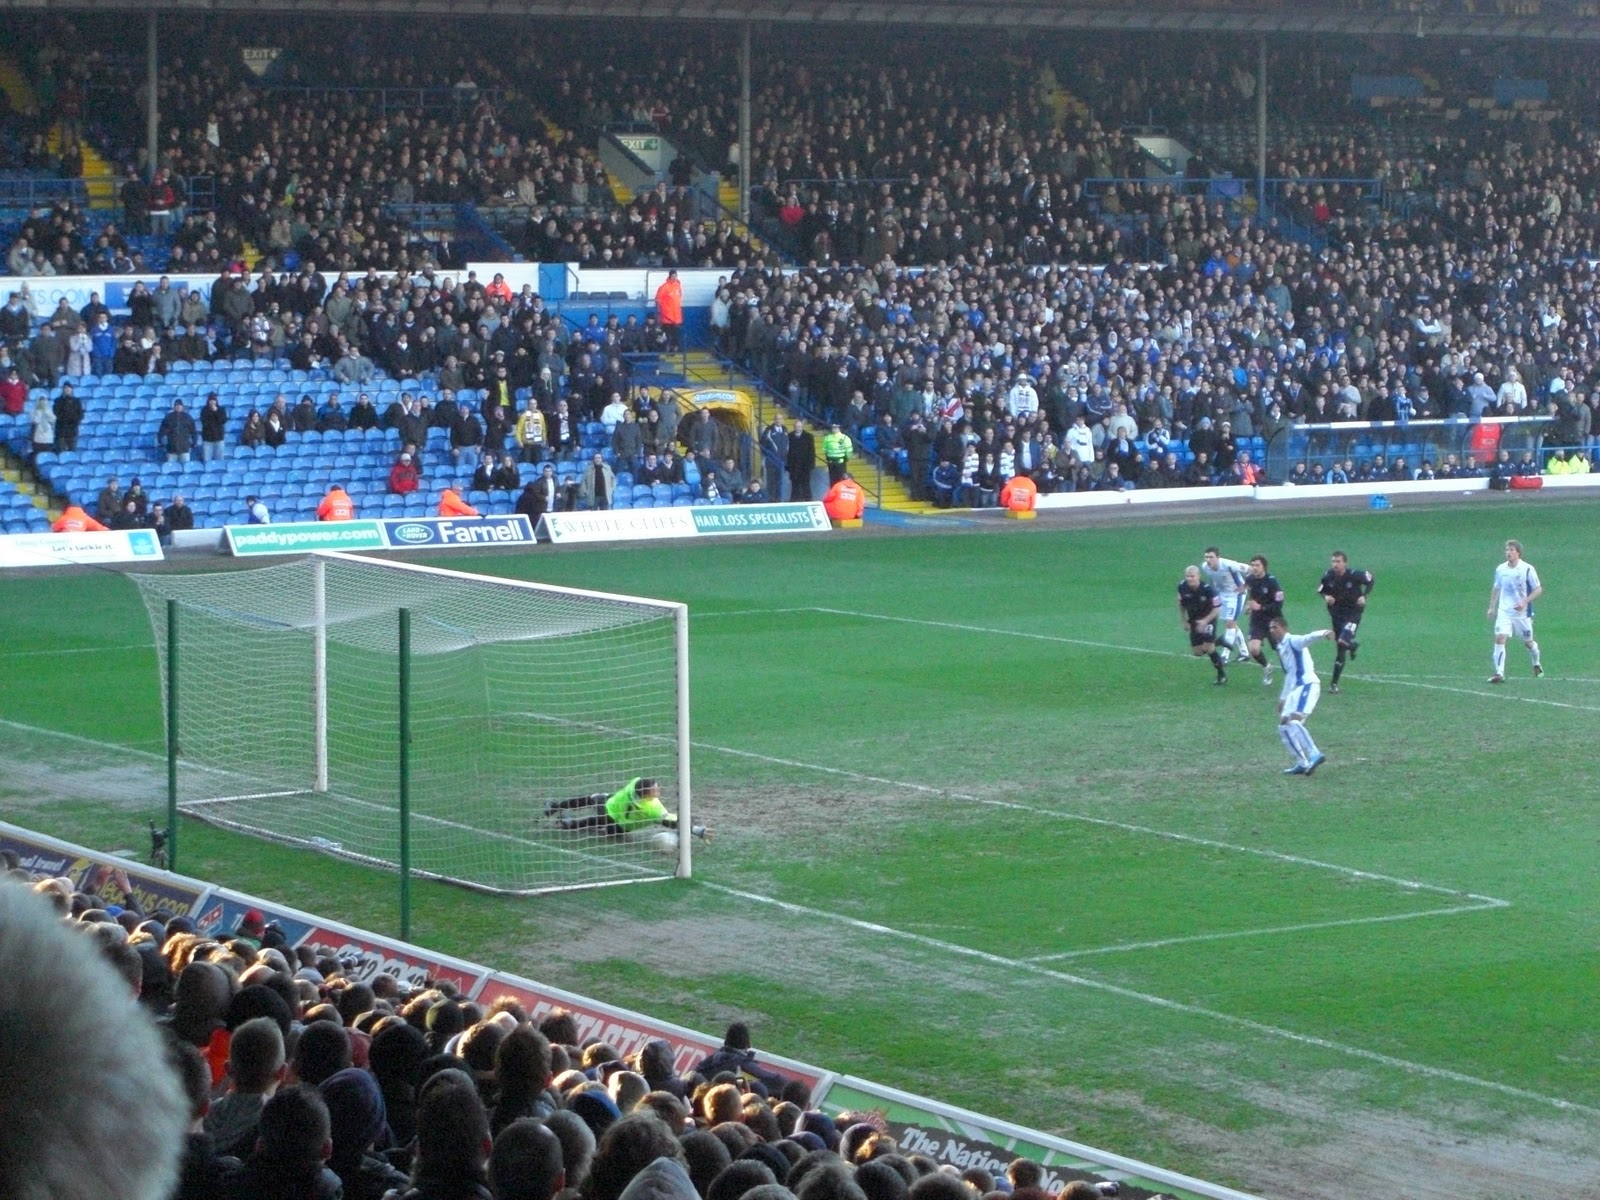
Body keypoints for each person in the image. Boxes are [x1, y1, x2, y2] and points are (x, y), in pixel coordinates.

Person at [1267, 617, 1334, 776]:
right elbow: (1290, 674)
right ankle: (1302, 762)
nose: (1271, 631)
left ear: (1283, 627)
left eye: (1274, 627)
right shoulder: (1281, 647)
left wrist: (1324, 633)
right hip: (1296, 689)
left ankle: (1314, 754)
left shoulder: (1293, 641)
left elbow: (1308, 638)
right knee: (1283, 725)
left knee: (1294, 720)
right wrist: (1283, 698)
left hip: (1308, 685)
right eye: (1270, 628)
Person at [543, 777, 709, 840]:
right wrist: (696, 830)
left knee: (594, 800)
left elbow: (630, 788)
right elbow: (672, 822)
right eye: (655, 789)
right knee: (602, 819)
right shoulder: (653, 808)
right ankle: (570, 824)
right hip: (619, 828)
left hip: (610, 810)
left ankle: (556, 808)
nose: (659, 790)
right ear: (646, 794)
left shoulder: (633, 785)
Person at [1316, 550, 1375, 693]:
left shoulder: (1354, 575)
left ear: (1345, 563)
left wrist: (1364, 596)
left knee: (1342, 640)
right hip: (1336, 615)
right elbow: (1321, 590)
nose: (1335, 564)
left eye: (1338, 562)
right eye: (1333, 562)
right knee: (1341, 649)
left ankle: (1352, 645)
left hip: (1353, 614)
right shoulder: (1328, 575)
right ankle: (1334, 684)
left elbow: (1370, 580)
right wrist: (1326, 597)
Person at [1487, 539, 1543, 684]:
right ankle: (1499, 672)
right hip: (1504, 611)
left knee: (1528, 643)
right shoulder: (1501, 569)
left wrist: (1524, 602)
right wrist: (1492, 607)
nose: (1508, 553)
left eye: (1511, 550)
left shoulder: (1527, 569)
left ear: (1518, 552)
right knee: (1500, 638)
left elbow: (1538, 589)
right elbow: (1496, 587)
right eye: (1507, 550)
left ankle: (1536, 663)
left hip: (1522, 614)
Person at [1200, 546, 1252, 665]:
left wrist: (1245, 586)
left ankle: (1225, 655)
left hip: (1236, 594)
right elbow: (1212, 580)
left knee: (1230, 623)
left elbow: (1250, 570)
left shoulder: (1229, 565)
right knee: (1231, 624)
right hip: (1222, 595)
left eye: (1211, 557)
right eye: (1206, 557)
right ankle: (1244, 653)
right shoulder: (1205, 567)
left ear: (1218, 557)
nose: (1208, 560)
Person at [1177, 565, 1227, 685]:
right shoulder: (1182, 587)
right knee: (1197, 652)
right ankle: (1218, 641)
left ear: (1198, 576)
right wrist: (1184, 620)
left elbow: (1217, 610)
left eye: (1192, 576)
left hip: (1209, 619)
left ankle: (1221, 674)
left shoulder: (1208, 590)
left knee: (1209, 649)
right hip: (1194, 620)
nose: (1190, 579)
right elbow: (1180, 603)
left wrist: (1205, 621)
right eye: (1188, 576)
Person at [1244, 554, 1285, 684]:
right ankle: (1267, 667)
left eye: (1257, 565)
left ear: (1264, 567)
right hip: (1257, 620)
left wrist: (1260, 607)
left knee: (1281, 651)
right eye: (1252, 565)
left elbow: (1278, 604)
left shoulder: (1272, 582)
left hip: (1273, 620)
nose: (1254, 568)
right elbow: (1253, 597)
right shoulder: (1250, 580)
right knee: (1253, 649)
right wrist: (1249, 607)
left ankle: (1291, 674)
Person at [786, 420, 816, 500]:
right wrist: (788, 466)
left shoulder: (809, 436)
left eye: (800, 426)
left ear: (802, 427)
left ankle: (808, 501)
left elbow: (812, 452)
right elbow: (787, 452)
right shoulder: (789, 436)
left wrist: (811, 464)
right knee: (794, 486)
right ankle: (794, 502)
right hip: (793, 466)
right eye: (796, 426)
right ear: (794, 427)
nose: (798, 428)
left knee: (806, 485)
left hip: (805, 466)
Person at [655, 269, 683, 352]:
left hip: (677, 317)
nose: (674, 277)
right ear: (669, 276)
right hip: (667, 317)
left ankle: (675, 348)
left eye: (676, 276)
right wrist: (660, 312)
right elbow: (657, 299)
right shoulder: (664, 287)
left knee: (676, 335)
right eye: (673, 276)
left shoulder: (678, 285)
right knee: (667, 335)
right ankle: (667, 348)